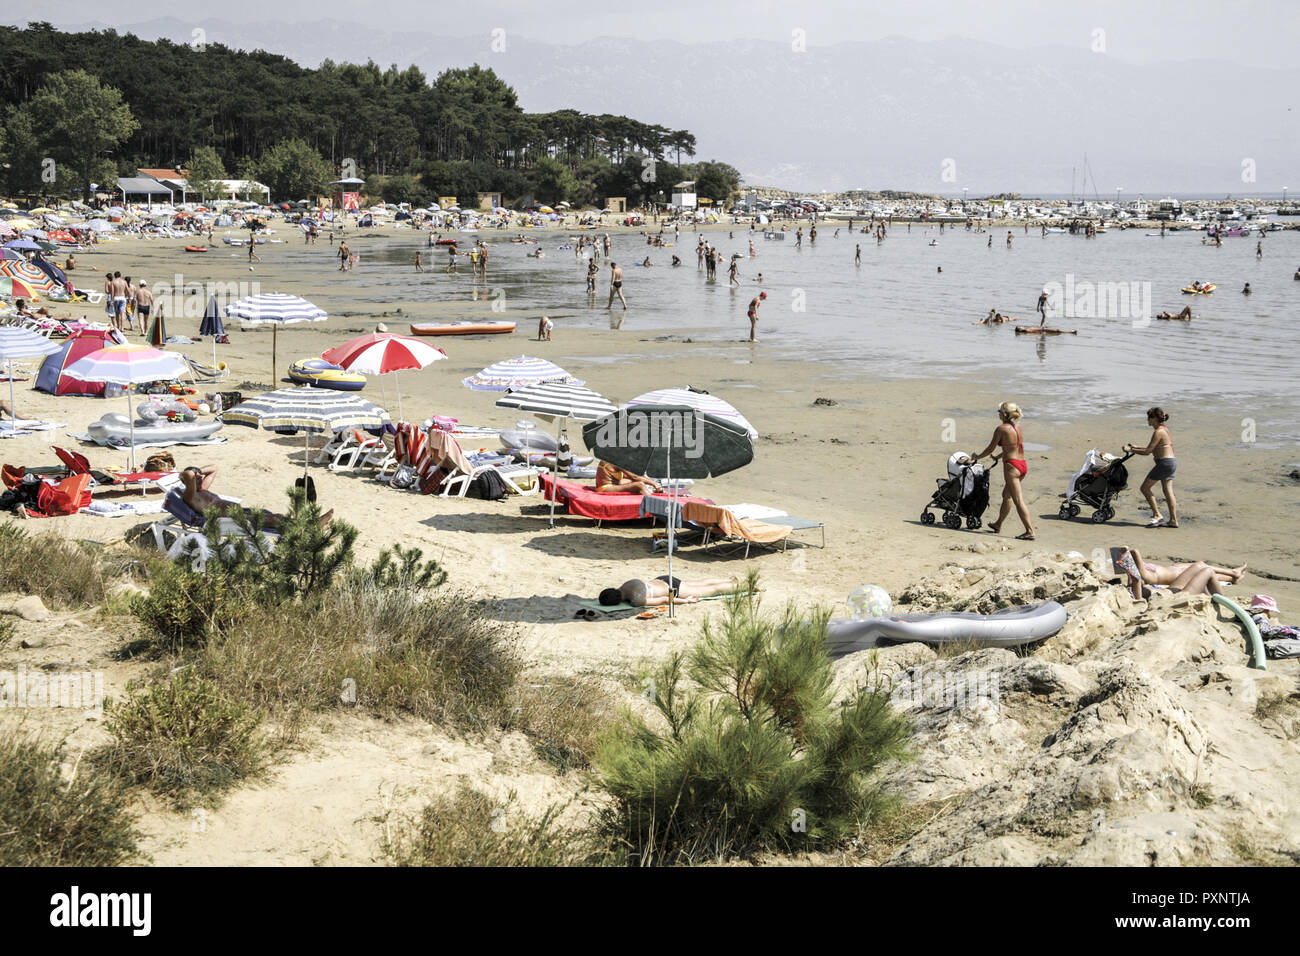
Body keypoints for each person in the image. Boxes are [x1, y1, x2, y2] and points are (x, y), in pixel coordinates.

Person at [180, 465, 333, 529]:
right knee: (275, 520)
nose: (200, 477)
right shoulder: (190, 496)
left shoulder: (203, 490)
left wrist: (198, 470)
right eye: (197, 476)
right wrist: (184, 474)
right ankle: (312, 526)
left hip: (238, 513)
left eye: (201, 475)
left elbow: (214, 468)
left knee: (277, 516)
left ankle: (310, 524)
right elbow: (187, 474)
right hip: (228, 519)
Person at [973, 401, 1035, 540]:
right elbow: (1014, 447)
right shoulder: (1018, 427)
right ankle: (998, 524)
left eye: (999, 411)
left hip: (1011, 467)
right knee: (1006, 495)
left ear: (1004, 414)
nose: (998, 414)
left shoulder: (1001, 429)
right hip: (1022, 465)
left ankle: (1030, 531)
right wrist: (998, 456)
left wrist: (977, 457)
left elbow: (990, 448)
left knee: (1018, 500)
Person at [1114, 546, 1244, 600]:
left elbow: (1133, 581)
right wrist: (1132, 558)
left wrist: (1128, 567)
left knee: (1199, 565)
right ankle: (1224, 603)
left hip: (1173, 589)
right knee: (1208, 571)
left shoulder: (1127, 589)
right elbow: (1137, 581)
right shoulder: (1136, 595)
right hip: (1178, 597)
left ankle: (1233, 574)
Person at [1125, 406, 1178, 527]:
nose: (1147, 420)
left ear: (1154, 418)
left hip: (1164, 463)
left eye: (1149, 417)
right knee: (1168, 491)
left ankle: (1157, 514)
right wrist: (1136, 447)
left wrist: (1131, 450)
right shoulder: (1164, 429)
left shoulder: (1158, 432)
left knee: (1144, 488)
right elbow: (1153, 448)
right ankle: (1173, 520)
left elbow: (1148, 452)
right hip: (1171, 462)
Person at [599, 575, 739, 607]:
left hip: (671, 589)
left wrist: (686, 601)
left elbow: (665, 599)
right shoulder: (628, 584)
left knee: (708, 590)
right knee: (699, 583)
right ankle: (730, 581)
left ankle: (739, 587)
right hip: (663, 578)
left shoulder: (637, 600)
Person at [595, 460, 659, 495]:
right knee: (640, 485)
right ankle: (654, 507)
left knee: (632, 480)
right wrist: (654, 484)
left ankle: (648, 493)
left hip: (614, 484)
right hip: (604, 489)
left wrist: (652, 482)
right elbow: (635, 477)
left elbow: (635, 474)